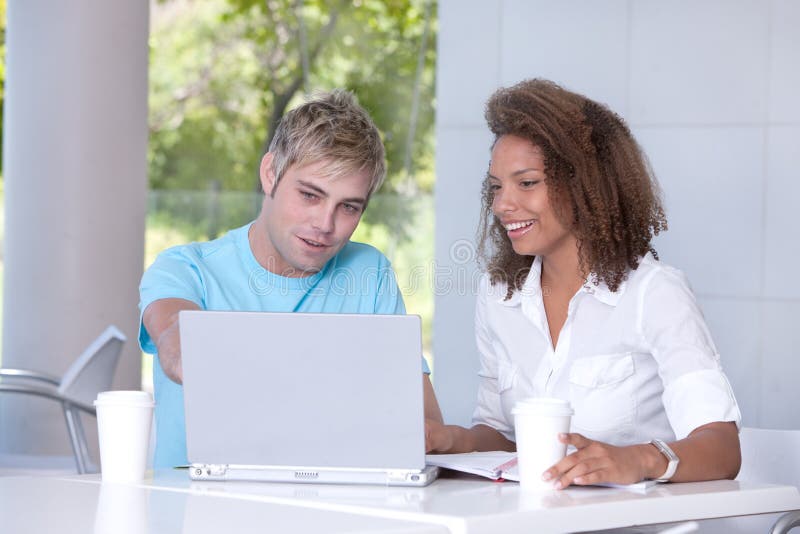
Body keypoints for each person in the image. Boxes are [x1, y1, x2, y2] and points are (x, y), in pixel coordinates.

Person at [425, 79, 741, 488]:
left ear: (583, 184)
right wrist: (452, 439)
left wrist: (638, 459)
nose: (502, 204)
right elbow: (504, 438)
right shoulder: (499, 295)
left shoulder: (654, 293)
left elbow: (722, 448)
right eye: (496, 187)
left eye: (527, 183)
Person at [140, 90, 443, 468]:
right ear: (270, 174)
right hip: (194, 513)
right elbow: (174, 337)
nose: (325, 225)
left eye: (348, 207)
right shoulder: (185, 269)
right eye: (310, 195)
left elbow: (426, 426)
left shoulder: (369, 272)